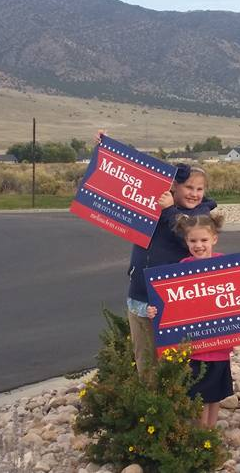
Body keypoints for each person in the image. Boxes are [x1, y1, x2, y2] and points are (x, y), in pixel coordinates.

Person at [94, 131, 218, 374]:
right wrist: (106, 148)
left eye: (199, 188)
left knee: (175, 364)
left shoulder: (201, 215)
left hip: (175, 298)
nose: (194, 193)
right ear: (173, 187)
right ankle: (151, 408)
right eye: (188, 187)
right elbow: (133, 176)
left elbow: (189, 238)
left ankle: (179, 409)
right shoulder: (153, 203)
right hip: (140, 294)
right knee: (145, 360)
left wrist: (169, 212)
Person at [148, 211, 240, 428]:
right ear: (186, 241)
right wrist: (155, 311)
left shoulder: (226, 265)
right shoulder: (181, 267)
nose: (199, 245)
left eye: (204, 240)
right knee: (197, 393)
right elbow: (169, 302)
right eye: (193, 240)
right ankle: (200, 434)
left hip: (220, 348)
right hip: (194, 348)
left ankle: (210, 430)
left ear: (214, 239)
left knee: (214, 394)